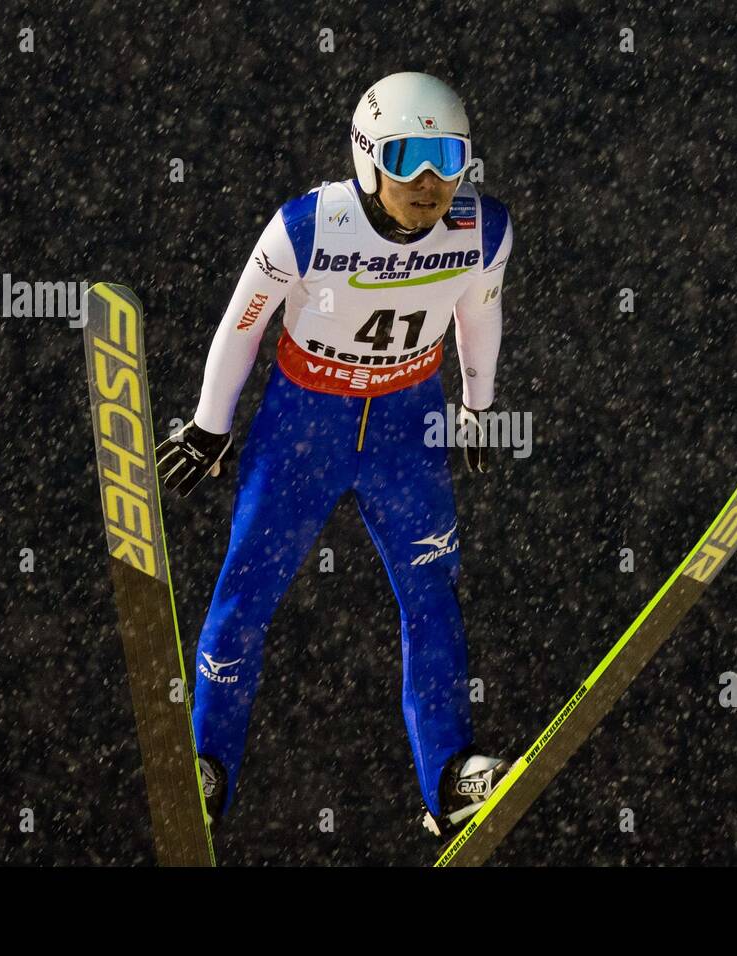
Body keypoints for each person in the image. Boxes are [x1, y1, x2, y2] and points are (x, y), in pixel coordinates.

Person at [155, 71, 514, 841]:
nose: (429, 180)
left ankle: (449, 774)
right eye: (409, 156)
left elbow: (478, 318)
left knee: (432, 598)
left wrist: (478, 407)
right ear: (367, 157)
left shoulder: (482, 229)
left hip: (404, 429)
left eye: (446, 157)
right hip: (302, 427)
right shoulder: (308, 225)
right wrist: (208, 423)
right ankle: (206, 765)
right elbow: (241, 324)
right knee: (245, 593)